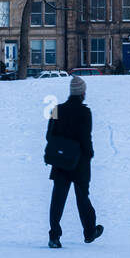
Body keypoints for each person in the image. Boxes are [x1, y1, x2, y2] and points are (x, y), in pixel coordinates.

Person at [45, 75, 102, 249]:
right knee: (82, 197)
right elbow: (86, 137)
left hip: (60, 159)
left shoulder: (56, 109)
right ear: (82, 93)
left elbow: (49, 135)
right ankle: (89, 231)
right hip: (80, 162)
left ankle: (54, 236)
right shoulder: (85, 112)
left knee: (58, 199)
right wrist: (89, 154)